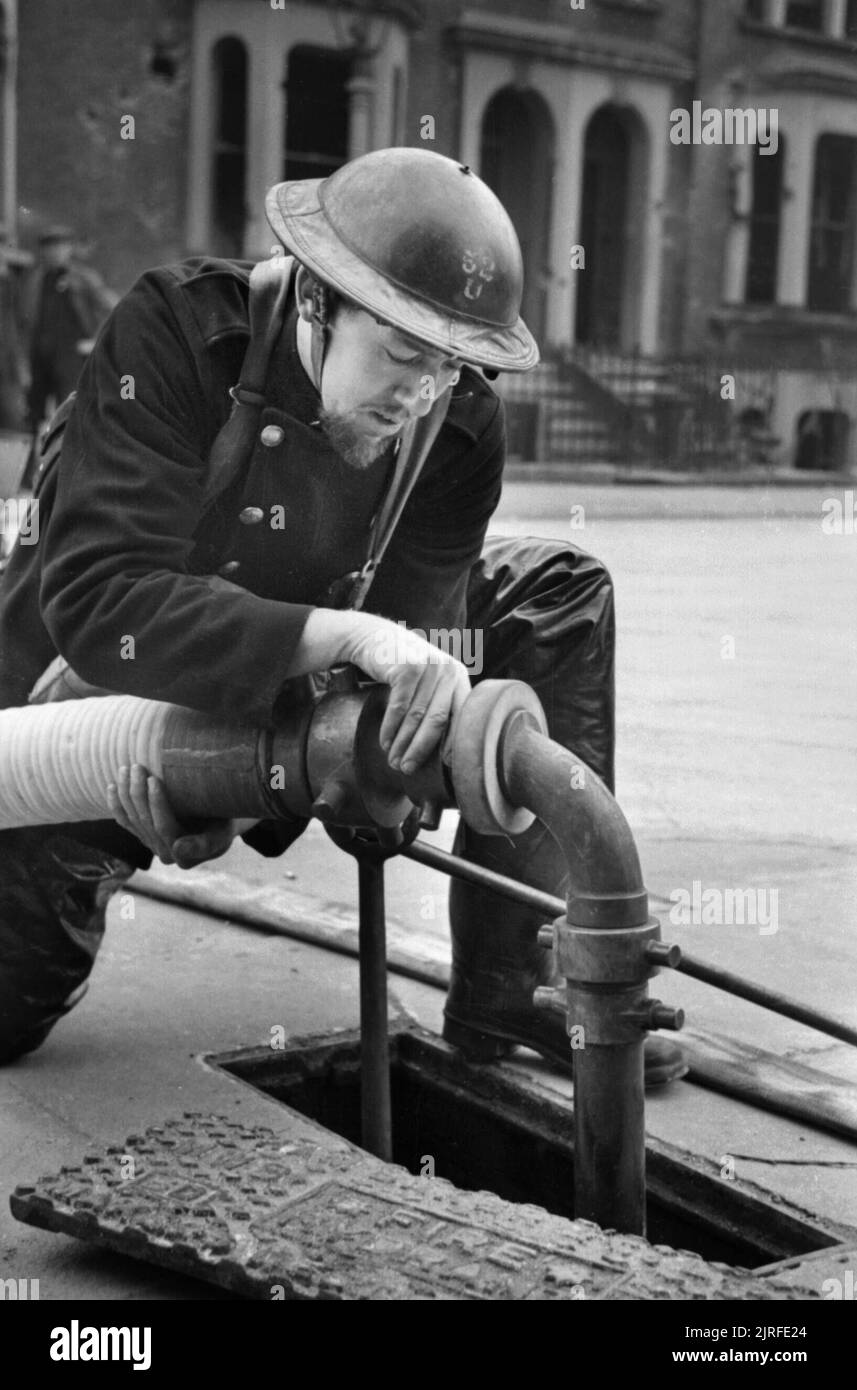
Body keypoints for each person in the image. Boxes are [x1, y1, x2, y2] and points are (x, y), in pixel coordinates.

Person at [0, 148, 686, 1086]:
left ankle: (511, 981)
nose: (420, 395)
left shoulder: (457, 423)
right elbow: (102, 602)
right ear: (320, 302)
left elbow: (399, 687)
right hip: (65, 716)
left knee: (554, 590)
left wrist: (314, 774)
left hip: (265, 709)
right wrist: (342, 637)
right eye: (403, 353)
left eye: (448, 366)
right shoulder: (175, 332)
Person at [22, 225, 117, 441]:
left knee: (68, 410)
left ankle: (66, 462)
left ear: (69, 249)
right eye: (49, 247)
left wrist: (95, 341)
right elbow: (25, 320)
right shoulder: (36, 279)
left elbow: (112, 308)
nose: (55, 252)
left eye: (60, 247)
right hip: (39, 355)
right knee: (32, 413)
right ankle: (33, 467)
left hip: (70, 356)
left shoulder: (84, 278)